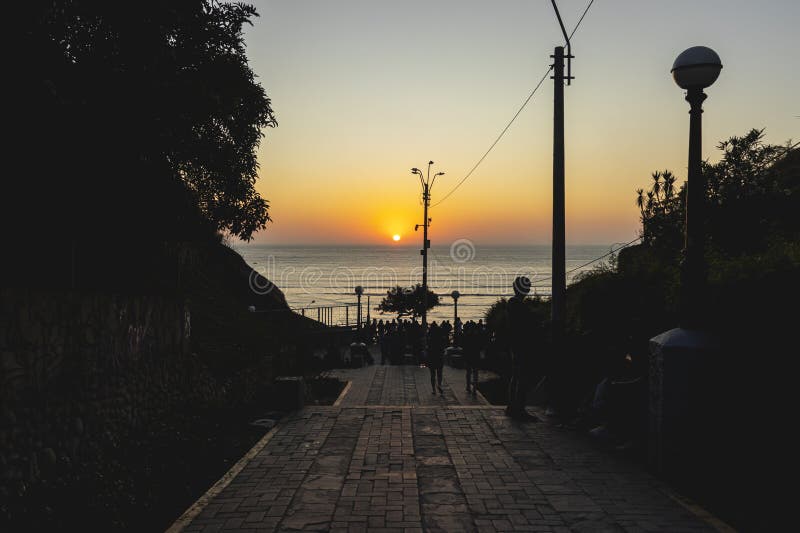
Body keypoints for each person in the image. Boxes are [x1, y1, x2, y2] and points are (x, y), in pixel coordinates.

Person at [506, 276, 538, 421]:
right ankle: (518, 408)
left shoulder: (513, 304)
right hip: (521, 345)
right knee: (521, 377)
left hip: (516, 344)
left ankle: (513, 407)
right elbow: (525, 326)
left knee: (516, 376)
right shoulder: (517, 305)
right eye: (527, 287)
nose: (529, 289)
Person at [427, 322, 446, 395]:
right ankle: (439, 385)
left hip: (432, 356)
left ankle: (434, 390)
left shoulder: (430, 335)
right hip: (439, 355)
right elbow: (443, 344)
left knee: (432, 374)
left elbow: (428, 345)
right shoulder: (440, 335)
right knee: (439, 373)